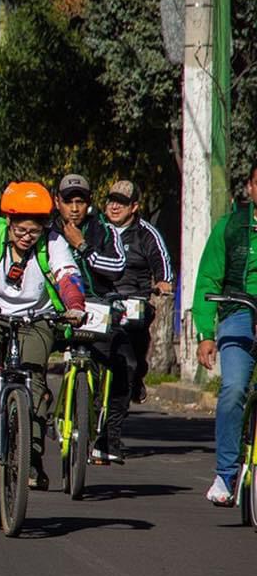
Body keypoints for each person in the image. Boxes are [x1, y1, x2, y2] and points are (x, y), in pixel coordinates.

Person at [0, 181, 86, 489]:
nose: (27, 238)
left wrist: (75, 306)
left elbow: (68, 276)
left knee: (35, 381)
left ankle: (30, 456)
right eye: (21, 230)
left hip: (36, 317)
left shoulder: (53, 243)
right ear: (9, 222)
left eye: (33, 232)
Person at [94, 180, 173, 463]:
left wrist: (163, 283)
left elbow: (162, 266)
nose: (114, 206)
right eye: (110, 200)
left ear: (134, 207)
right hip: (98, 305)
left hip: (133, 305)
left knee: (129, 365)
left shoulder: (146, 234)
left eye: (122, 202)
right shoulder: (95, 229)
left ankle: (110, 437)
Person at [193, 166, 257, 506]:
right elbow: (208, 281)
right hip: (238, 313)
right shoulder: (231, 227)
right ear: (250, 186)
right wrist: (205, 333)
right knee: (233, 389)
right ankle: (226, 474)